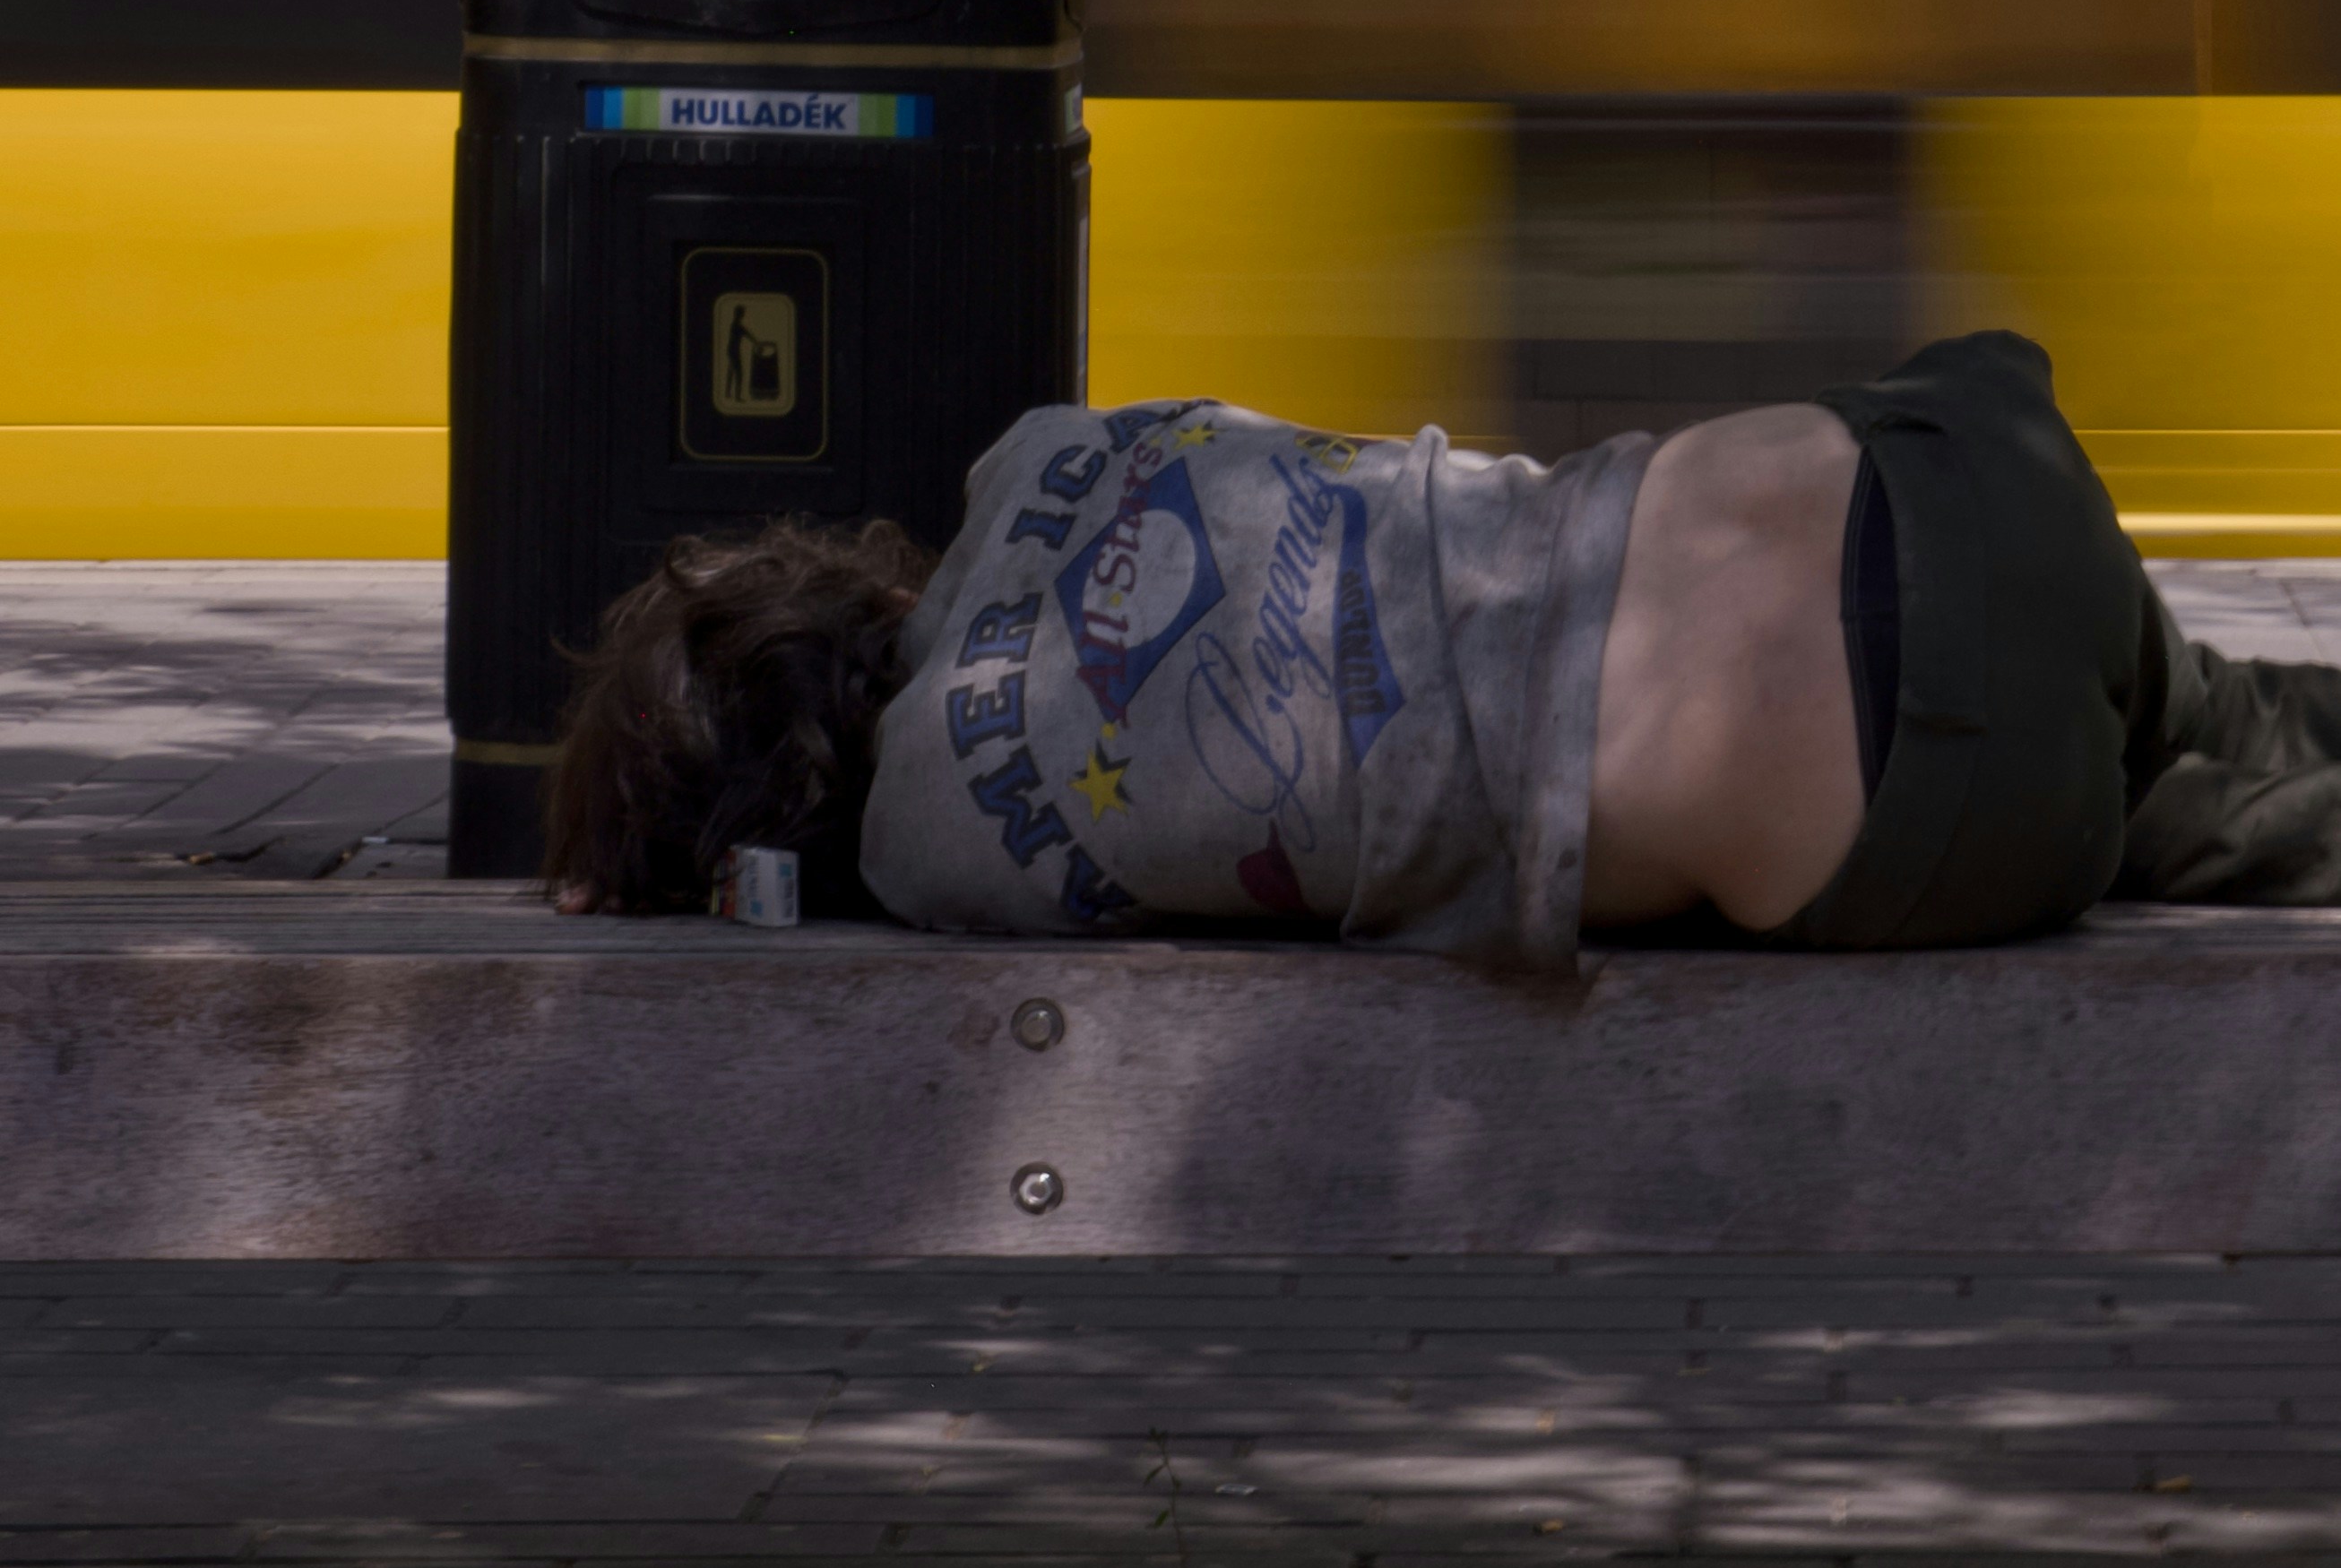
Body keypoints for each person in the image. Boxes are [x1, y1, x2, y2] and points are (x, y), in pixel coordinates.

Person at [545, 330, 2341, 955]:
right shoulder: (1036, 456)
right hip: (1950, 478)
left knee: (2113, 800)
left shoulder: (929, 851)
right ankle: (2218, 717)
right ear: (842, 583)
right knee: (2169, 701)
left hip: (1913, 816)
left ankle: (2207, 785)